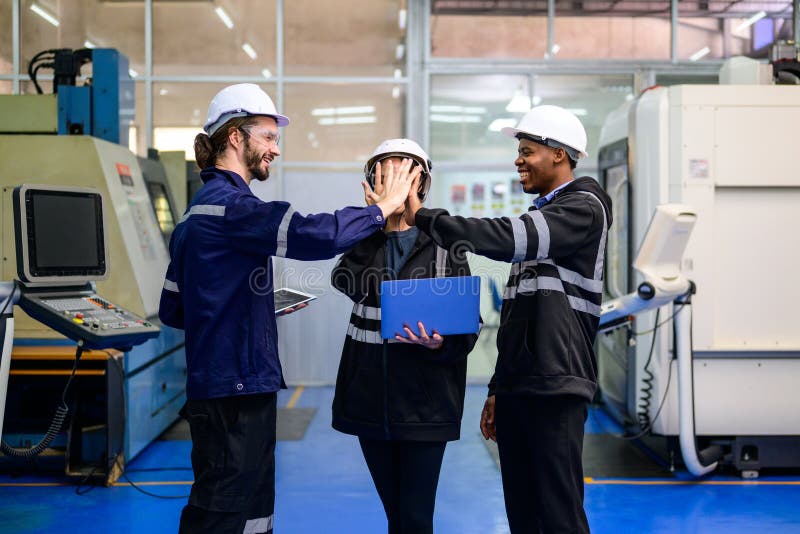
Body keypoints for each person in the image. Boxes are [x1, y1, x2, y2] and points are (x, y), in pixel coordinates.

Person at [158, 84, 420, 534]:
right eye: (268, 137)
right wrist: (381, 211)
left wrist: (252, 305)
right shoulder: (232, 208)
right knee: (221, 513)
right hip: (234, 389)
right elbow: (310, 235)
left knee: (253, 512)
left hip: (228, 386)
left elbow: (175, 309)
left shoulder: (193, 214)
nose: (275, 150)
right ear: (236, 137)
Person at [404, 106, 612, 533]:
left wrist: (422, 215)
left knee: (557, 514)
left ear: (559, 154)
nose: (518, 160)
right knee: (523, 511)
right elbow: (518, 321)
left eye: (527, 150)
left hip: (556, 384)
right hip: (523, 384)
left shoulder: (584, 208)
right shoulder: (545, 213)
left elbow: (506, 237)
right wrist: (499, 388)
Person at [330, 139, 479, 534]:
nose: (393, 183)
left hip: (425, 404)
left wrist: (440, 342)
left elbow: (468, 327)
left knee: (414, 517)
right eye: (385, 174)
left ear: (421, 183)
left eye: (403, 175)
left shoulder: (448, 244)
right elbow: (345, 281)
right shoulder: (365, 239)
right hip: (370, 401)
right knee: (395, 514)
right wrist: (372, 222)